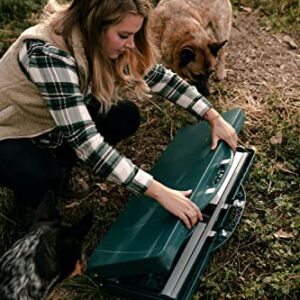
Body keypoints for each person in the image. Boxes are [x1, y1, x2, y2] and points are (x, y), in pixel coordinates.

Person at [0, 0, 238, 229]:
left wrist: (212, 116)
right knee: (43, 176)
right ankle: (38, 200)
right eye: (124, 36)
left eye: (134, 35)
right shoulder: (48, 55)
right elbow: (88, 144)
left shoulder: (98, 39)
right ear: (96, 24)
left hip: (51, 120)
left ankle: (62, 164)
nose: (131, 45)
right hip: (11, 130)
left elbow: (157, 76)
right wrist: (159, 191)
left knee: (124, 116)